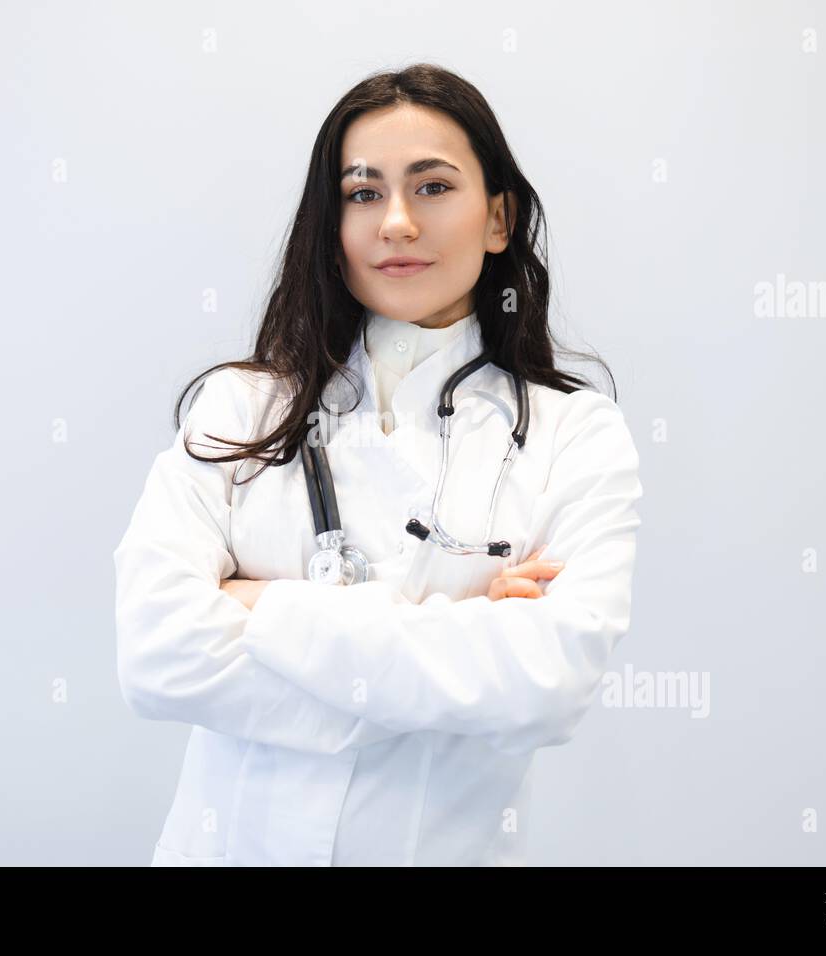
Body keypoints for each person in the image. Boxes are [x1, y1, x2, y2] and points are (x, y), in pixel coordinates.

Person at [113, 63, 643, 866]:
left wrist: (260, 607)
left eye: (432, 187)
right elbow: (155, 655)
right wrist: (453, 628)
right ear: (332, 223)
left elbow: (547, 684)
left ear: (498, 218)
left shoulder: (579, 433)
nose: (394, 221)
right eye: (362, 193)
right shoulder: (238, 410)